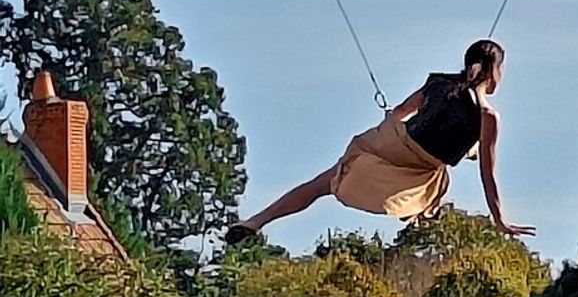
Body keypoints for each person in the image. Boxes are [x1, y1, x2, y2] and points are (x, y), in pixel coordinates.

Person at [225, 39, 535, 244]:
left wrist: (386, 133)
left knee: (323, 184)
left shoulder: (440, 83)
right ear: (495, 71)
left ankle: (257, 220)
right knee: (438, 186)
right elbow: (487, 174)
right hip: (420, 165)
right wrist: (500, 219)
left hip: (395, 141)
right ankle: (418, 231)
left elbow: (401, 111)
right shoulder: (487, 116)